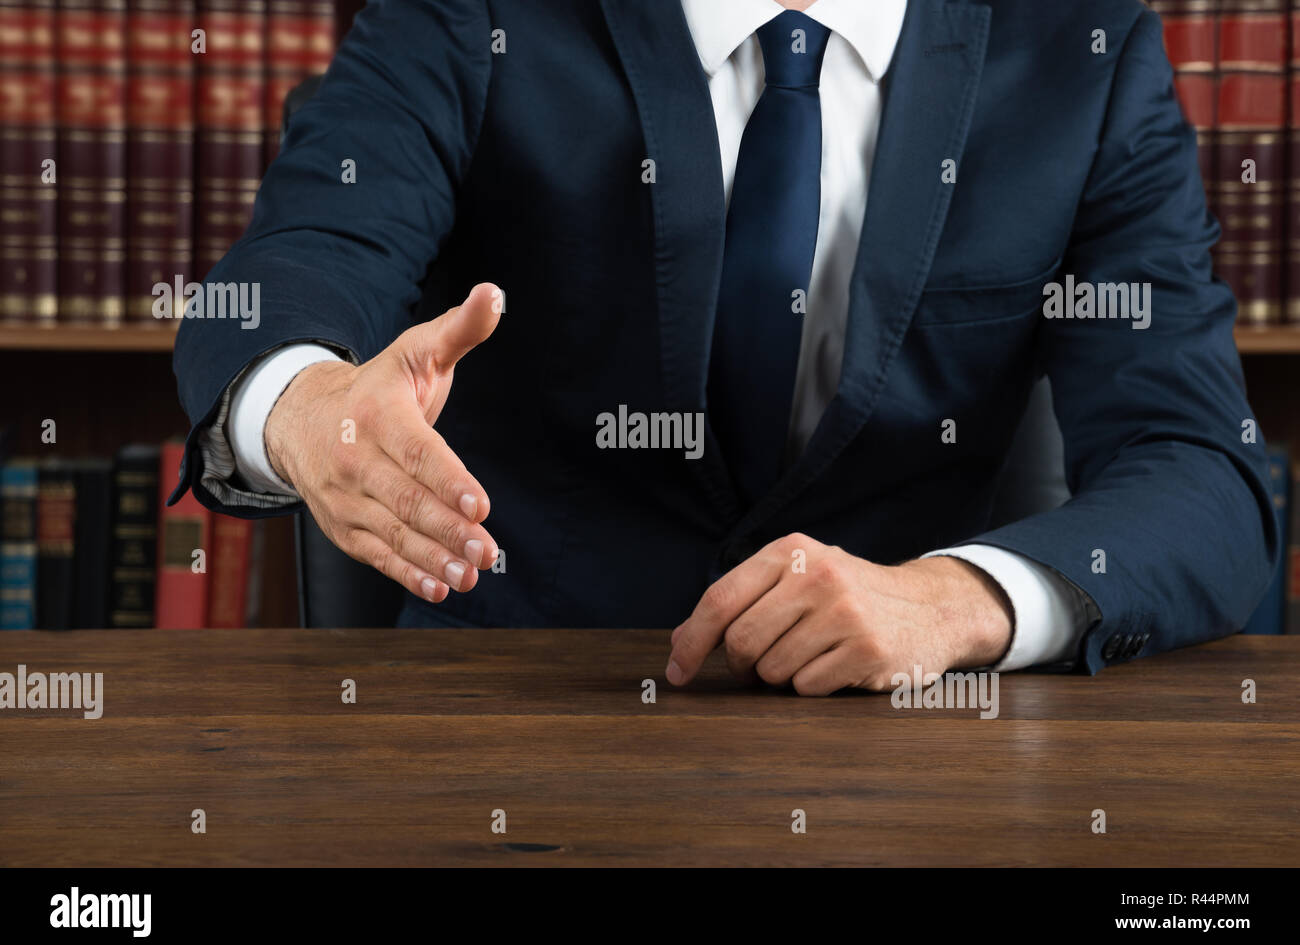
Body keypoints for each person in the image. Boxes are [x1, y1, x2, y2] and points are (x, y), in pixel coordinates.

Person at [170, 0, 1278, 694]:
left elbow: (1201, 469)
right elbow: (304, 257)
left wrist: (956, 603)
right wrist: (303, 406)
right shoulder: (472, 15)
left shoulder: (1080, 50)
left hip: (914, 747)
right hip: (507, 724)